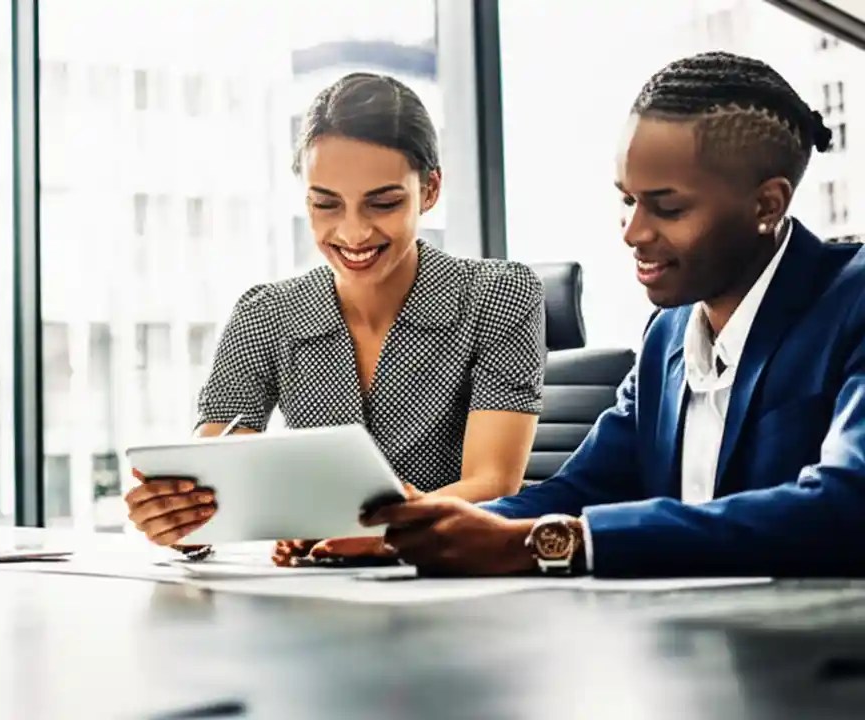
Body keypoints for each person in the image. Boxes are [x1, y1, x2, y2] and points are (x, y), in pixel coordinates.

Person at [363, 51, 862, 578]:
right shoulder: (668, 333)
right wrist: (420, 531)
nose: (633, 232)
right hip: (691, 639)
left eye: (667, 208)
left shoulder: (851, 302)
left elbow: (846, 504)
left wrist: (555, 544)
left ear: (767, 206)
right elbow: (586, 486)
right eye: (628, 200)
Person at [124, 73, 547, 560]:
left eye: (383, 203)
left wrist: (374, 533)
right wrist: (183, 520)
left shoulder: (499, 294)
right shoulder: (266, 313)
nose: (353, 233)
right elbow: (214, 472)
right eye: (325, 204)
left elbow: (493, 481)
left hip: (454, 579)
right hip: (319, 586)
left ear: (429, 190)